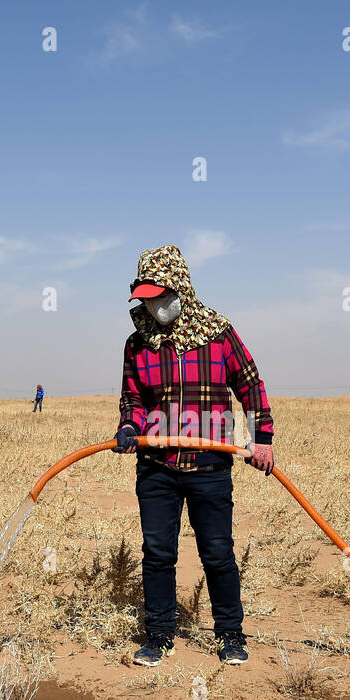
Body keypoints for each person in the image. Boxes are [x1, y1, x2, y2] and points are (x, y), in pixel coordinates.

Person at [112, 245, 274, 668]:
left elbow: (251, 386)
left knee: (218, 552)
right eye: (146, 298)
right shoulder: (138, 345)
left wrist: (262, 439)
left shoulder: (218, 335)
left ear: (180, 288)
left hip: (210, 467)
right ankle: (160, 635)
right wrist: (130, 426)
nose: (154, 306)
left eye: (160, 296)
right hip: (157, 468)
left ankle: (231, 636)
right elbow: (133, 399)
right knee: (158, 553)